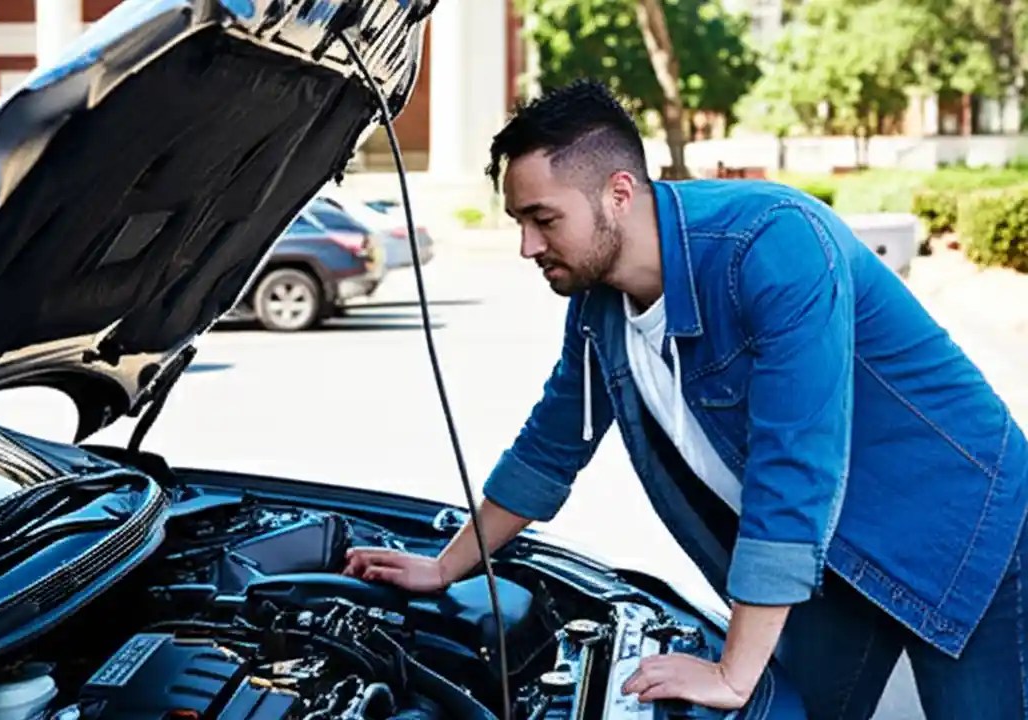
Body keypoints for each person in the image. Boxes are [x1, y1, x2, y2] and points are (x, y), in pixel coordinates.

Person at [344, 79, 1028, 719]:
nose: (527, 245)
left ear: (618, 192)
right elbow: (549, 449)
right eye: (519, 221)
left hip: (962, 530)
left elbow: (795, 464)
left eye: (542, 219)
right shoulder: (598, 309)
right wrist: (446, 565)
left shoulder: (772, 245)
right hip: (828, 557)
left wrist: (732, 673)